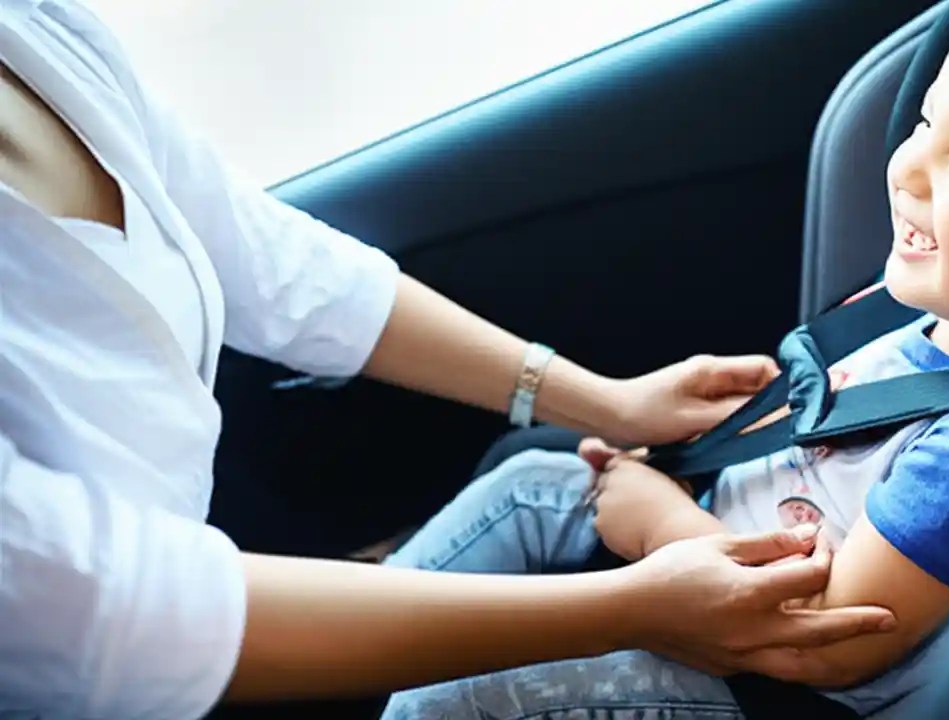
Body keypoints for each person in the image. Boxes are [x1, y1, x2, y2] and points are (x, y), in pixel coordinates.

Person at [0, 2, 902, 718]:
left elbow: (269, 263)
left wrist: (606, 404)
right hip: (117, 662)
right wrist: (641, 593)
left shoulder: (38, 30)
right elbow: (105, 608)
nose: (906, 166)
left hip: (176, 610)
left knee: (531, 463)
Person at [375, 1, 949, 718]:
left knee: (465, 697)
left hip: (759, 686)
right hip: (709, 556)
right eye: (923, 123)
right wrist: (702, 448)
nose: (909, 167)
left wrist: (653, 521)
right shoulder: (910, 312)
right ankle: (353, 645)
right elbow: (819, 426)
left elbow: (821, 637)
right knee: (532, 479)